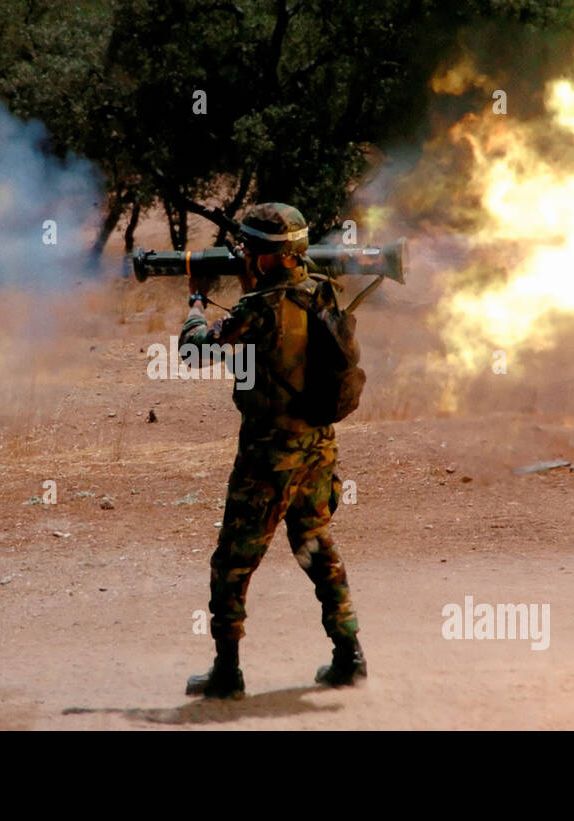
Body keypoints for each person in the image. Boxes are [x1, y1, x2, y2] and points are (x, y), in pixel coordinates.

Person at [181, 202, 366, 700]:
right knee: (315, 545)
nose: (244, 253)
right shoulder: (321, 291)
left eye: (250, 248)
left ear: (268, 256)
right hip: (317, 449)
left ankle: (227, 672)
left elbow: (194, 350)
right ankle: (349, 655)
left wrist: (196, 302)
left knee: (232, 563)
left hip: (268, 457)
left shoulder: (258, 309)